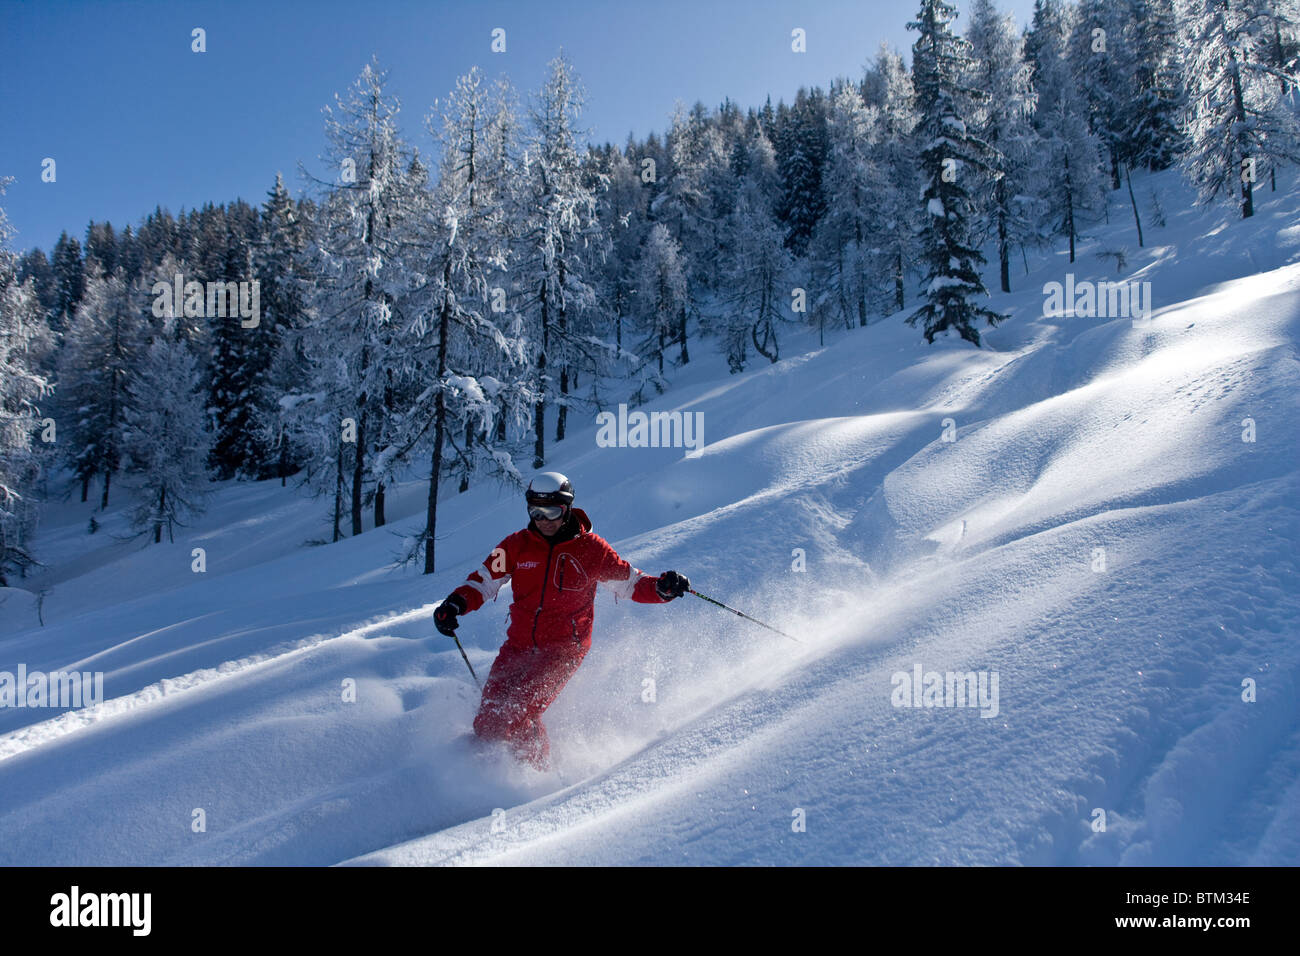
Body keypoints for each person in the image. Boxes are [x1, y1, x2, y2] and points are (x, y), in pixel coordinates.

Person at [434, 472, 689, 769]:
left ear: (566, 508)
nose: (544, 520)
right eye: (536, 512)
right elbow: (483, 581)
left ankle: (531, 779)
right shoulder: (517, 545)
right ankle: (479, 776)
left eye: (552, 512)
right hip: (518, 645)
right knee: (489, 715)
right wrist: (455, 604)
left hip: (563, 650)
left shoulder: (592, 550)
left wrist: (661, 589)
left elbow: (631, 584)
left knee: (517, 714)